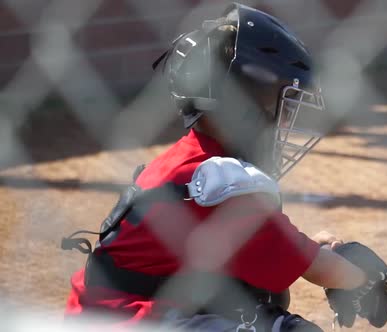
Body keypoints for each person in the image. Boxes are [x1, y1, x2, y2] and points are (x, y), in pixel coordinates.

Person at [62, 3, 368, 331]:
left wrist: (318, 249)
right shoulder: (219, 180)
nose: (284, 123)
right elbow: (318, 269)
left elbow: (277, 249)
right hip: (128, 318)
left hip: (125, 313)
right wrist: (365, 277)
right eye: (281, 105)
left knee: (265, 302)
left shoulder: (198, 159)